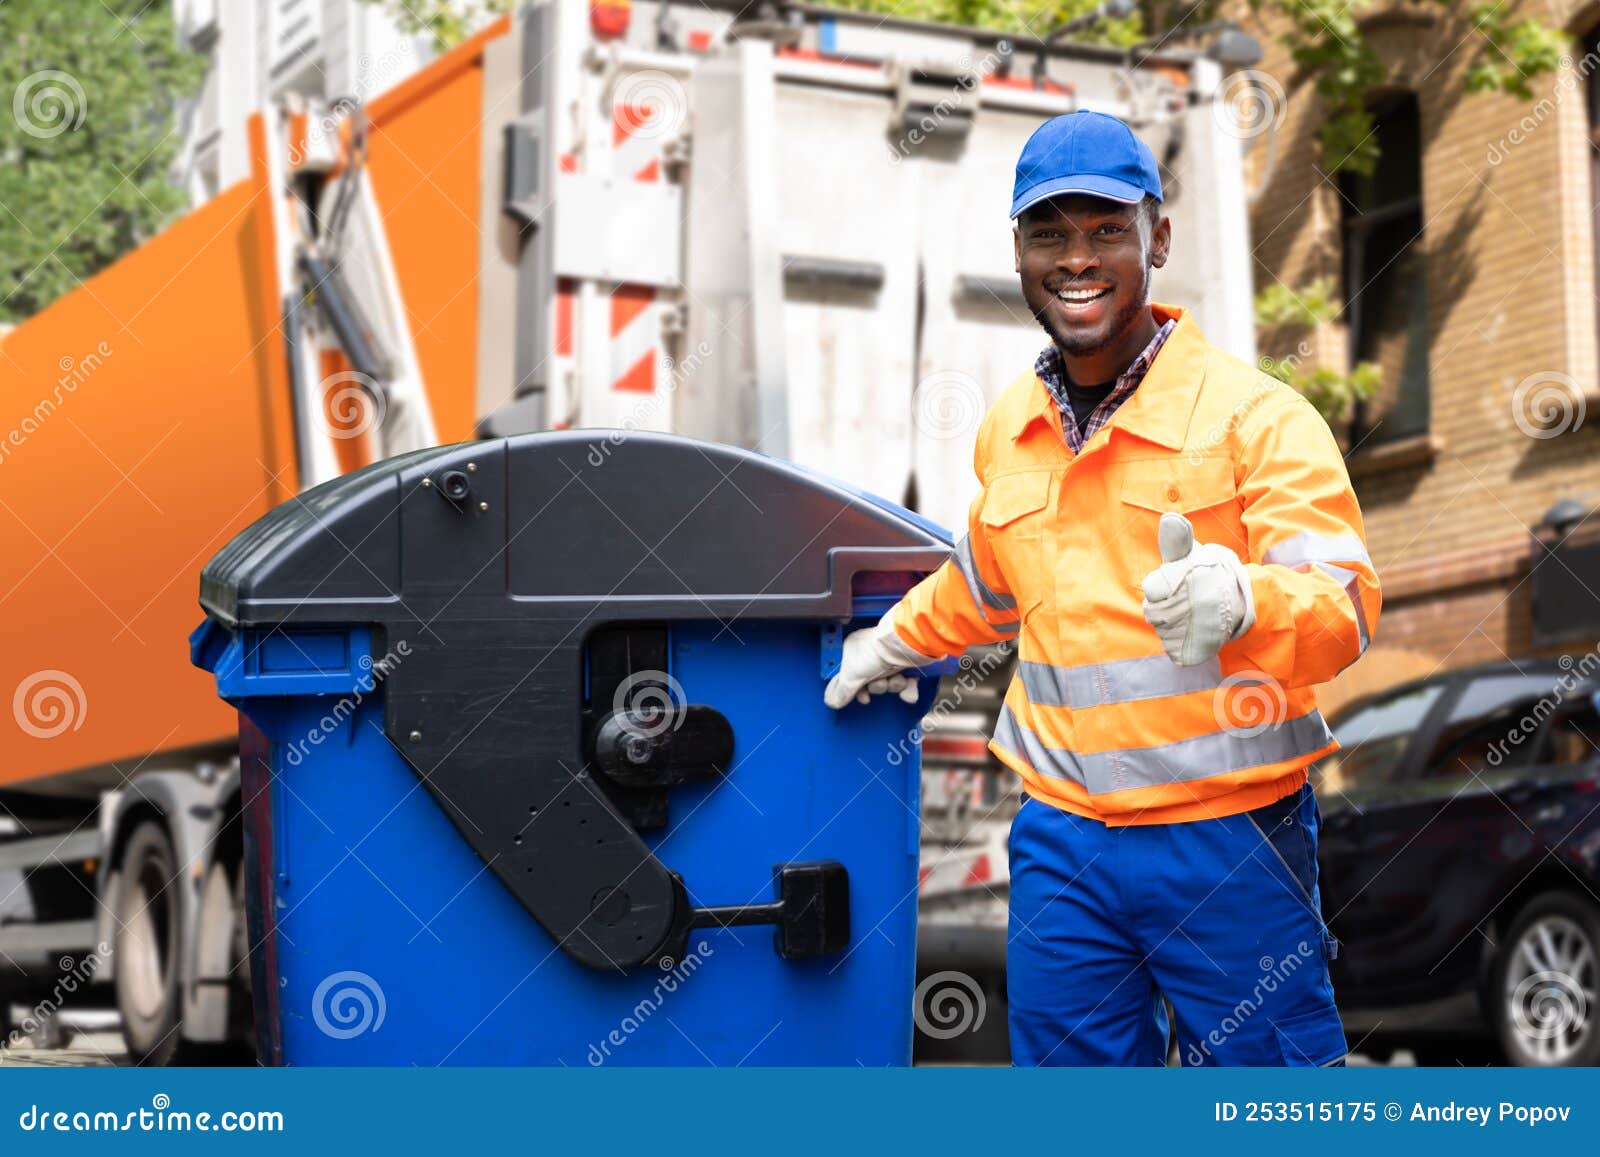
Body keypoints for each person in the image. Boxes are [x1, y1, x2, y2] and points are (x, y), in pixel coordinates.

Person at [824, 110, 1381, 1067]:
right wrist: (895, 641)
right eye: (1050, 234)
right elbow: (992, 579)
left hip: (1229, 837)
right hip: (1063, 843)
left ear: (1156, 239)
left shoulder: (1257, 416)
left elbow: (1343, 608)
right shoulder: (1013, 428)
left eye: (1106, 231)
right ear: (1018, 251)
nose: (1077, 258)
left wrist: (1247, 600)